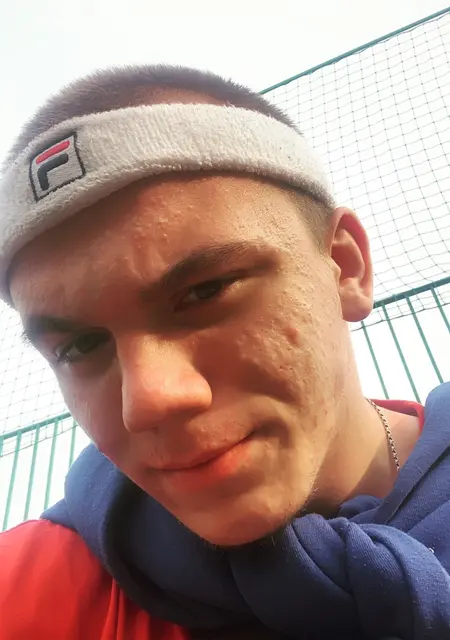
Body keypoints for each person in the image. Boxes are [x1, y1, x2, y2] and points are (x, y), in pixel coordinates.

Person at [0, 65, 449, 640]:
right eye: (80, 346)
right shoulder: (34, 591)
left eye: (205, 291)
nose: (150, 401)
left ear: (345, 266)